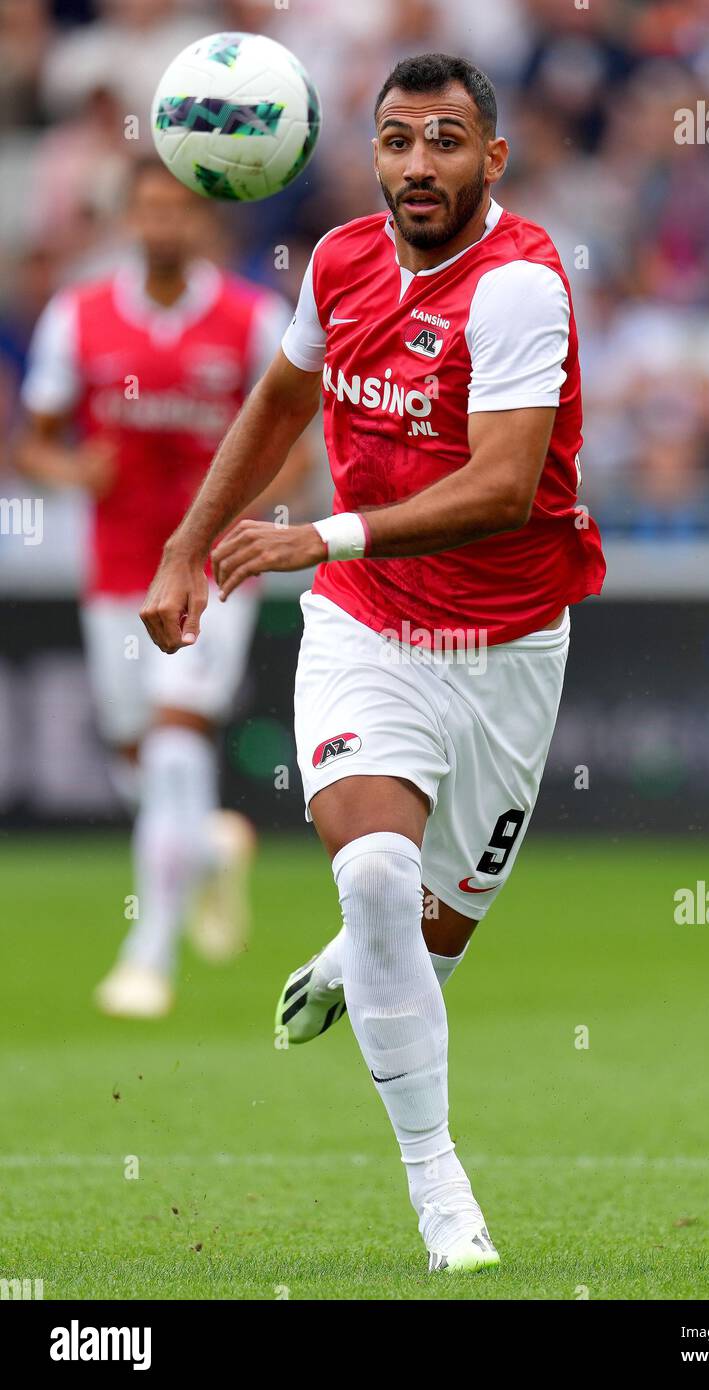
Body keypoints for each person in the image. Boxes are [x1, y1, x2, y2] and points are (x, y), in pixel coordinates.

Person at [139, 54, 605, 1272]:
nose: (416, 166)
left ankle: (359, 960)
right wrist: (187, 546)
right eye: (396, 140)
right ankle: (441, 1195)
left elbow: (505, 488)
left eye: (444, 142)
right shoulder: (340, 262)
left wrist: (316, 531)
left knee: (428, 936)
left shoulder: (517, 287)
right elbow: (284, 399)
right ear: (369, 153)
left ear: (490, 160)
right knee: (379, 876)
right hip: (366, 621)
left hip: (506, 642)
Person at [17, 158, 306, 1019]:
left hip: (212, 569)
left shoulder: (255, 319)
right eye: (147, 210)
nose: (163, 225)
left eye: (179, 211)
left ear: (205, 224)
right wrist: (72, 466)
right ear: (127, 219)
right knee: (133, 751)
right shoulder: (80, 316)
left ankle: (148, 954)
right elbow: (31, 442)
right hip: (116, 568)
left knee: (177, 740)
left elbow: (297, 434)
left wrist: (255, 515)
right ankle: (211, 849)